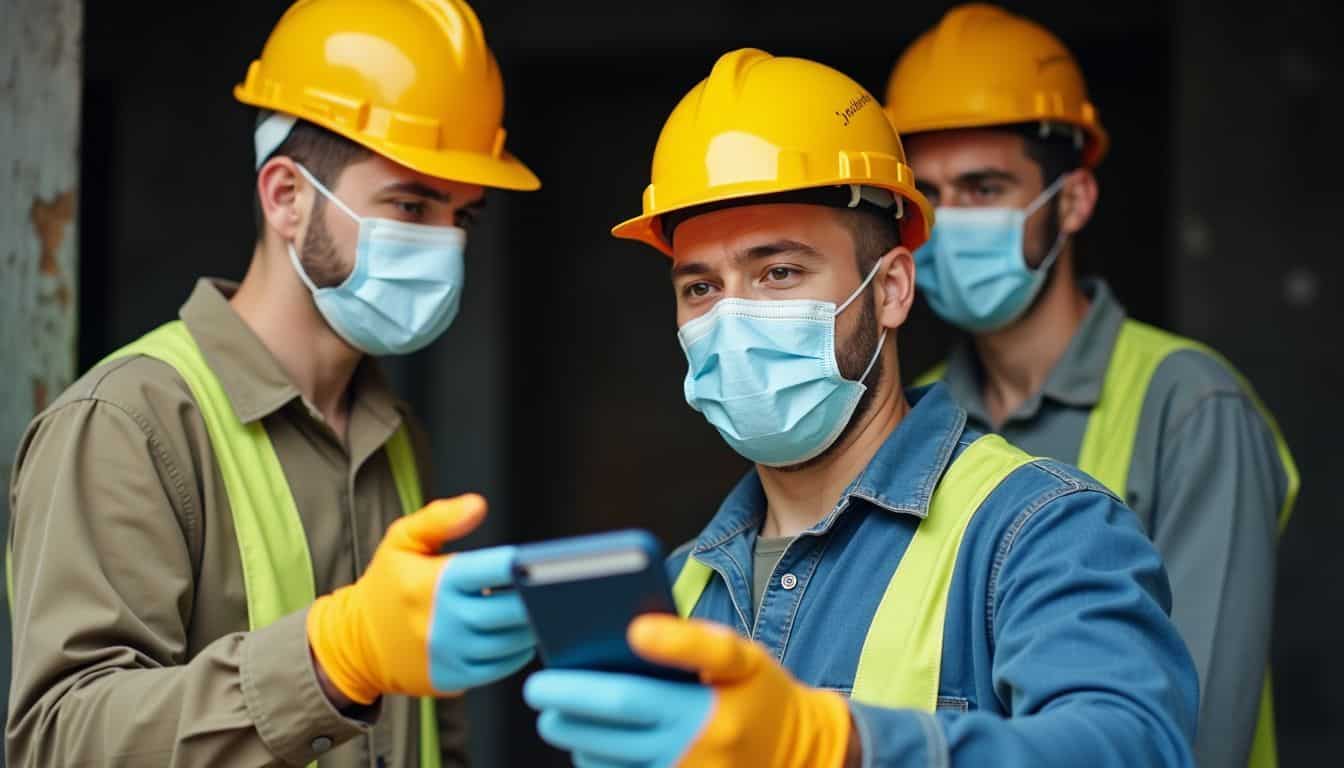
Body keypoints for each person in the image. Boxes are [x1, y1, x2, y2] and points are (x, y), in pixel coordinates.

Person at [521, 48, 1198, 767]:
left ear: (891, 289)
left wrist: (836, 745)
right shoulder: (684, 590)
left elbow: (1134, 747)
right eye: (700, 288)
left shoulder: (1038, 530)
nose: (732, 318)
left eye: (778, 271)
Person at [6, 1, 539, 765]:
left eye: (465, 216)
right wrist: (330, 659)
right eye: (412, 205)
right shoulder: (128, 421)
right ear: (286, 196)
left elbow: (426, 733)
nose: (446, 247)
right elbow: (61, 738)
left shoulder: (392, 433)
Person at [883, 6, 1299, 766]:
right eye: (931, 196)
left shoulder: (1191, 406)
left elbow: (1192, 733)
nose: (949, 223)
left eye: (983, 188)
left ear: (1071, 200)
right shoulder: (911, 412)